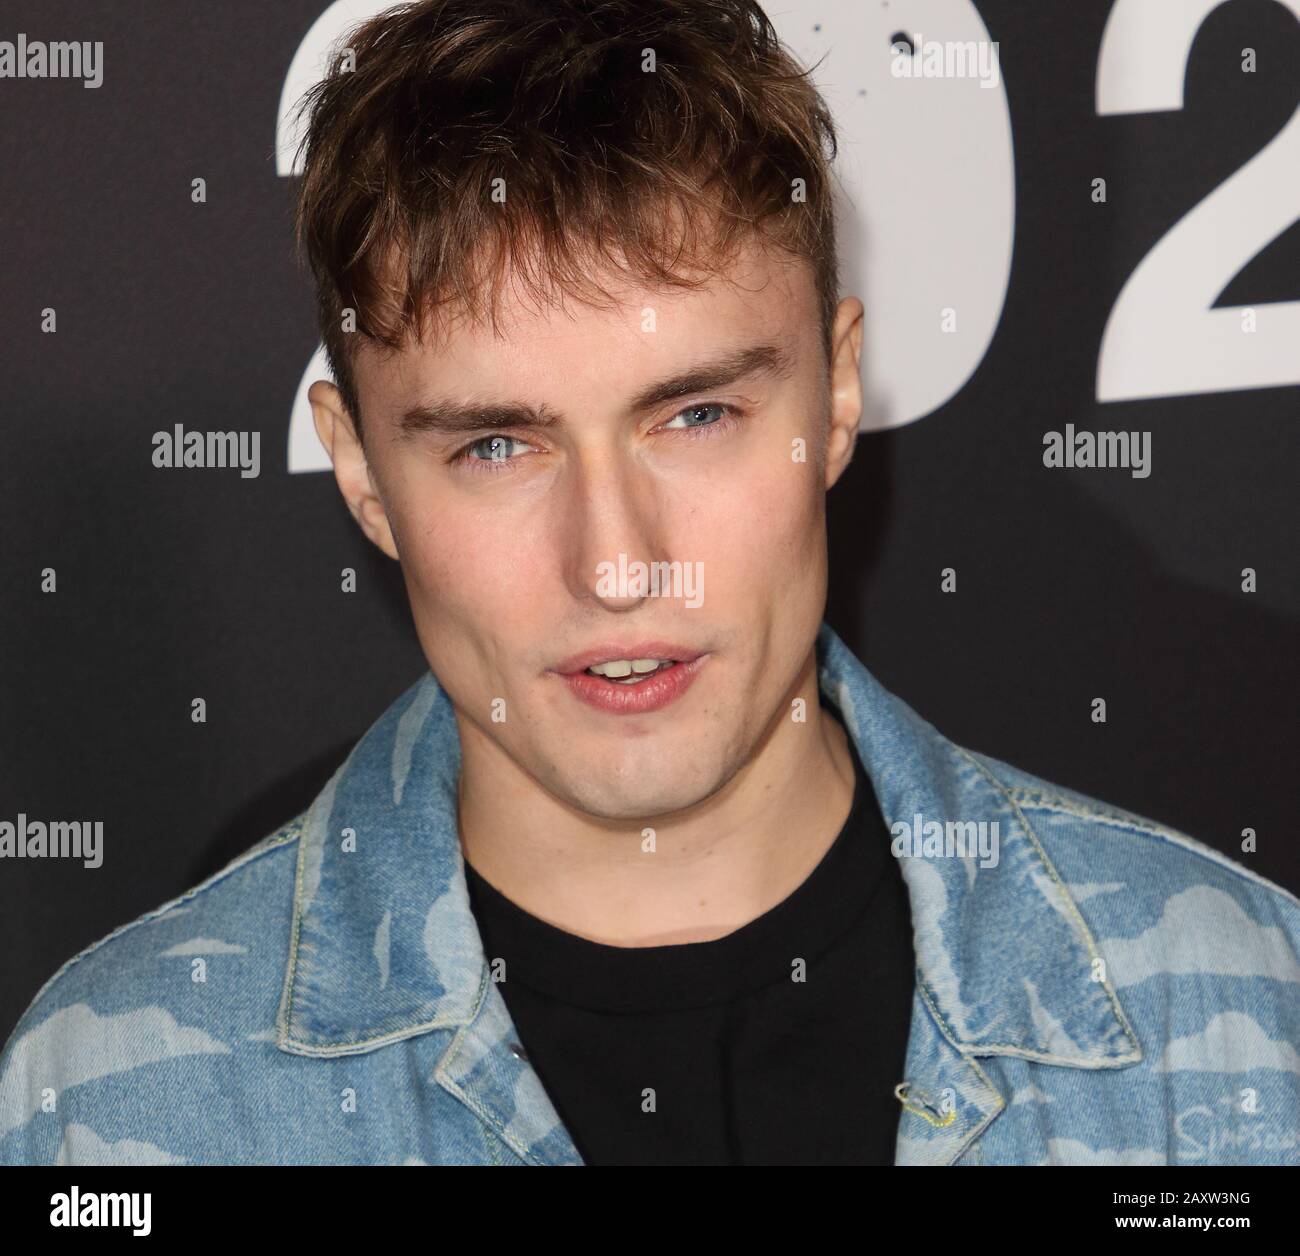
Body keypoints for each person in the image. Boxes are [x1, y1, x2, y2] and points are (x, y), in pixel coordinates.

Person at [2, 0, 1296, 1167]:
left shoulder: (1244, 1020)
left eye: (696, 417)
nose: (614, 563)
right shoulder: (110, 1109)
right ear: (359, 472)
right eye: (497, 446)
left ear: (838, 391)